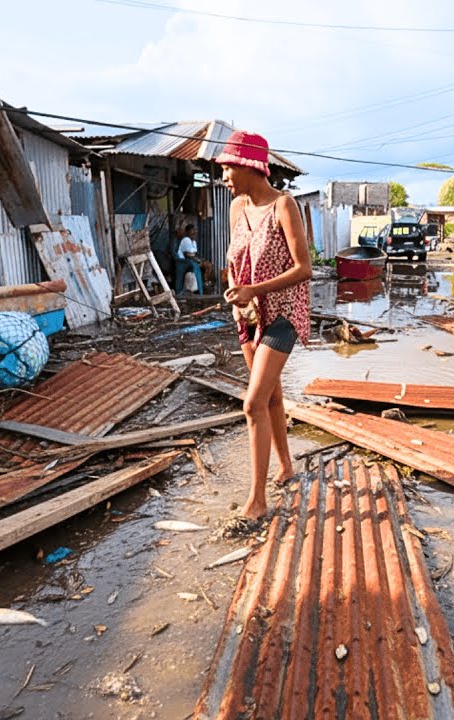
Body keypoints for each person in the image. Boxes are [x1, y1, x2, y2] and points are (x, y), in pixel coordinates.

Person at [215, 130, 311, 525]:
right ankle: (286, 466)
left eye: (227, 167)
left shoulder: (284, 206)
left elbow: (304, 269)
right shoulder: (237, 208)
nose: (223, 176)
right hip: (249, 313)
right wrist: (237, 290)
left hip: (283, 313)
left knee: (252, 403)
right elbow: (234, 257)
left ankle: (257, 499)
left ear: (249, 166)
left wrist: (257, 287)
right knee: (270, 396)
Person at [174, 223, 204, 294]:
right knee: (195, 266)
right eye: (192, 231)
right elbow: (187, 255)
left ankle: (199, 290)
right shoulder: (186, 240)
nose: (194, 232)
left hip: (189, 260)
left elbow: (195, 254)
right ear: (187, 232)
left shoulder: (193, 242)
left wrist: (200, 260)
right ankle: (200, 291)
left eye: (195, 231)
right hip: (182, 261)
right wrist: (198, 261)